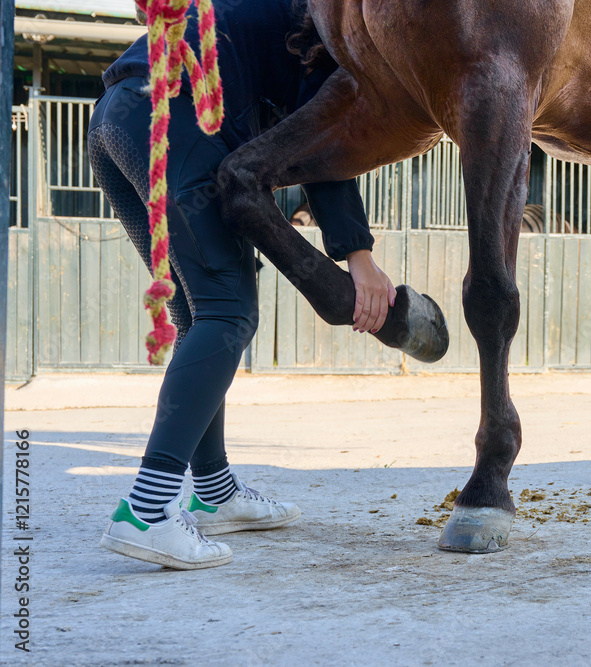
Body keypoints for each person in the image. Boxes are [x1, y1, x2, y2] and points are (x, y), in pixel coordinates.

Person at [89, 0, 394, 569]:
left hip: (115, 119)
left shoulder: (275, 12)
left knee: (201, 315)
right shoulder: (329, 26)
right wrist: (358, 255)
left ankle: (215, 492)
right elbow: (325, 150)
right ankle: (147, 510)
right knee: (228, 312)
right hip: (171, 119)